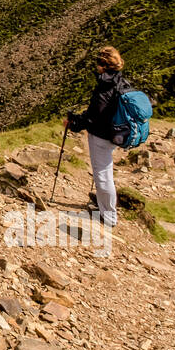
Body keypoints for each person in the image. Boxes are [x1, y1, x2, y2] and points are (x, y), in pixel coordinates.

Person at [63, 46, 126, 227]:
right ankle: (103, 205)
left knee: (102, 174)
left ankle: (108, 216)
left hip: (101, 136)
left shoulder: (104, 88)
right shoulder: (119, 81)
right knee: (104, 171)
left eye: (98, 63)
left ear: (103, 65)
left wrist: (74, 123)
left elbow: (93, 116)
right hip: (112, 133)